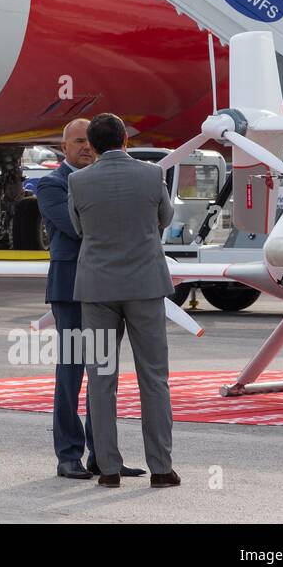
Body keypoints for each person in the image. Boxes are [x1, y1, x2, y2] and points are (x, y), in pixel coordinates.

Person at [68, 113, 180, 490]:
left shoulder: (78, 181)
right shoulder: (152, 175)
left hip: (97, 289)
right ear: (125, 141)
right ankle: (161, 468)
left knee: (101, 380)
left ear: (93, 145)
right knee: (154, 378)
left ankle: (109, 469)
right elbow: (164, 217)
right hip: (146, 285)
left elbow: (79, 228)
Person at [35, 119, 147, 481]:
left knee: (103, 375)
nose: (85, 147)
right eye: (77, 141)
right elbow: (76, 228)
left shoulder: (101, 181)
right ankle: (68, 455)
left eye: (89, 141)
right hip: (70, 292)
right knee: (70, 375)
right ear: (63, 147)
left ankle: (103, 456)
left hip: (103, 288)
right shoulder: (51, 185)